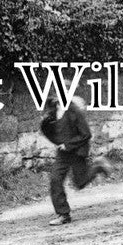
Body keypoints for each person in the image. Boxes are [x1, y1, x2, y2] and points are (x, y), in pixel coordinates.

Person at [43, 96, 115, 226]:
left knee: (80, 183)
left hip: (77, 151)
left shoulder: (75, 111)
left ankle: (98, 166)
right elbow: (48, 127)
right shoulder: (53, 108)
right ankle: (63, 214)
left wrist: (68, 144)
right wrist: (56, 139)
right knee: (55, 179)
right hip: (63, 154)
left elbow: (86, 134)